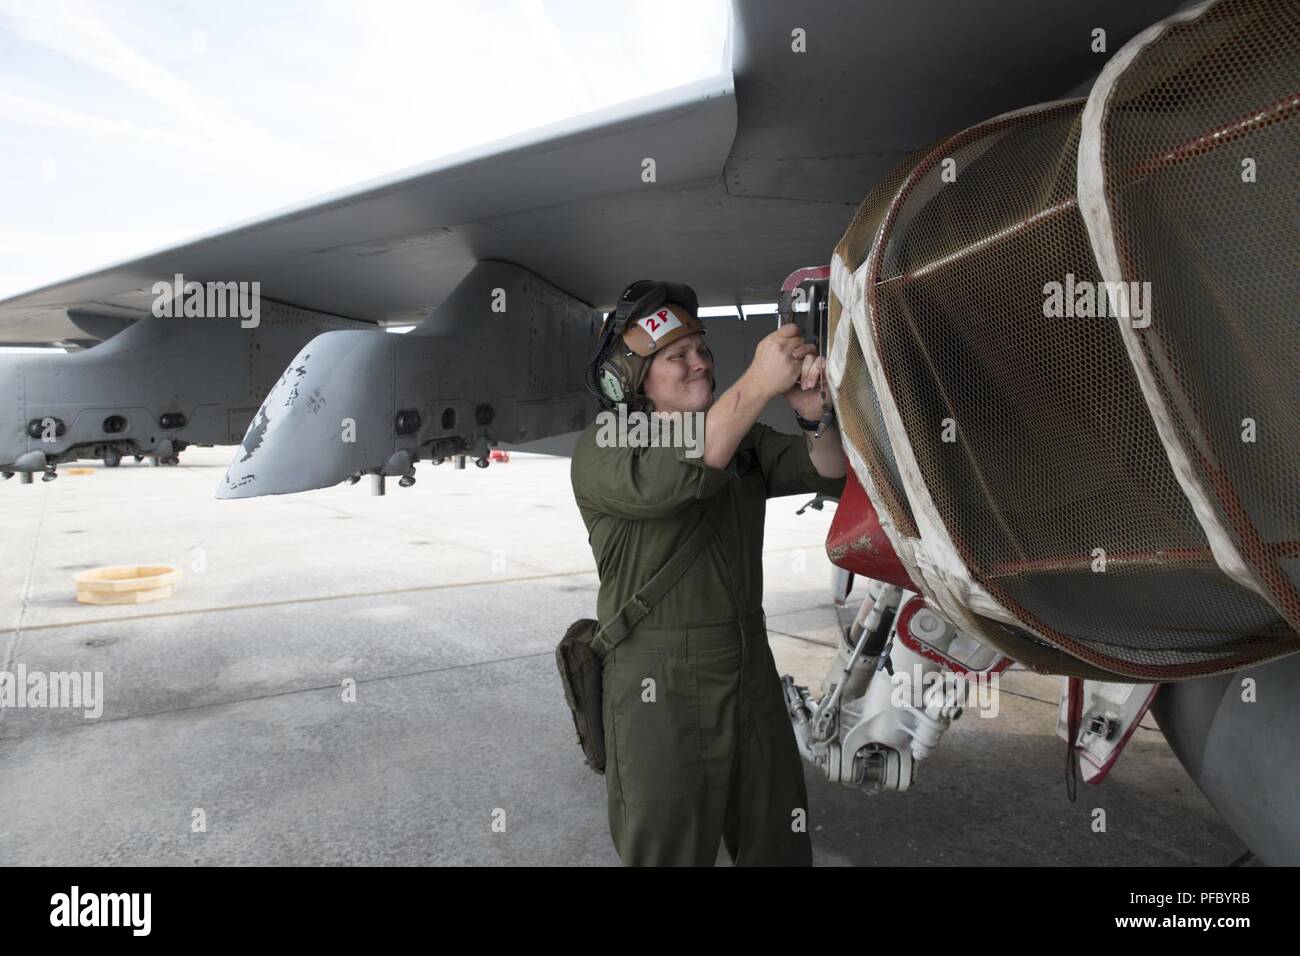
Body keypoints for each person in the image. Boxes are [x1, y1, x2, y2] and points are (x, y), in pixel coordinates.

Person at [570, 279, 847, 866]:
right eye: (678, 356)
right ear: (634, 379)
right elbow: (684, 475)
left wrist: (814, 418)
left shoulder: (741, 442)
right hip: (658, 681)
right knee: (670, 849)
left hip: (747, 664)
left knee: (778, 839)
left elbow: (825, 471)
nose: (699, 362)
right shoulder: (606, 446)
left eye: (702, 349)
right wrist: (757, 383)